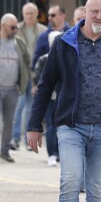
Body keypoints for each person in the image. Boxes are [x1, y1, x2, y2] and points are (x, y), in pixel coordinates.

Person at [27, 0, 101, 202]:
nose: (99, 16)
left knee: (96, 189)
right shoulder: (64, 43)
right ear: (85, 12)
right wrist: (34, 126)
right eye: (94, 11)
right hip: (71, 126)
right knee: (70, 182)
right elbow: (45, 85)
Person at [0, 13, 31, 163]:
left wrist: (24, 80)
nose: (15, 30)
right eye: (12, 27)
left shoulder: (19, 43)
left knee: (9, 121)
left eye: (16, 28)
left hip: (13, 89)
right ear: (3, 26)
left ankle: (5, 151)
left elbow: (27, 61)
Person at [13, 2, 48, 150]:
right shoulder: (16, 29)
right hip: (21, 73)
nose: (29, 16)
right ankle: (14, 139)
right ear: (23, 14)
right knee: (18, 106)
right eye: (26, 13)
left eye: (31, 13)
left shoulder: (43, 30)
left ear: (36, 14)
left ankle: (28, 140)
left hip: (36, 73)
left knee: (31, 108)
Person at [35, 29, 64, 166]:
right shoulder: (44, 59)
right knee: (52, 126)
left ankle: (57, 153)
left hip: (61, 98)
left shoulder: (65, 58)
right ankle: (52, 153)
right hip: (50, 98)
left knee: (58, 126)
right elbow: (40, 80)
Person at [33, 4, 69, 69]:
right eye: (48, 15)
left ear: (63, 16)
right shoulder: (43, 36)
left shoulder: (71, 34)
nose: (49, 18)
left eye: (53, 15)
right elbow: (36, 60)